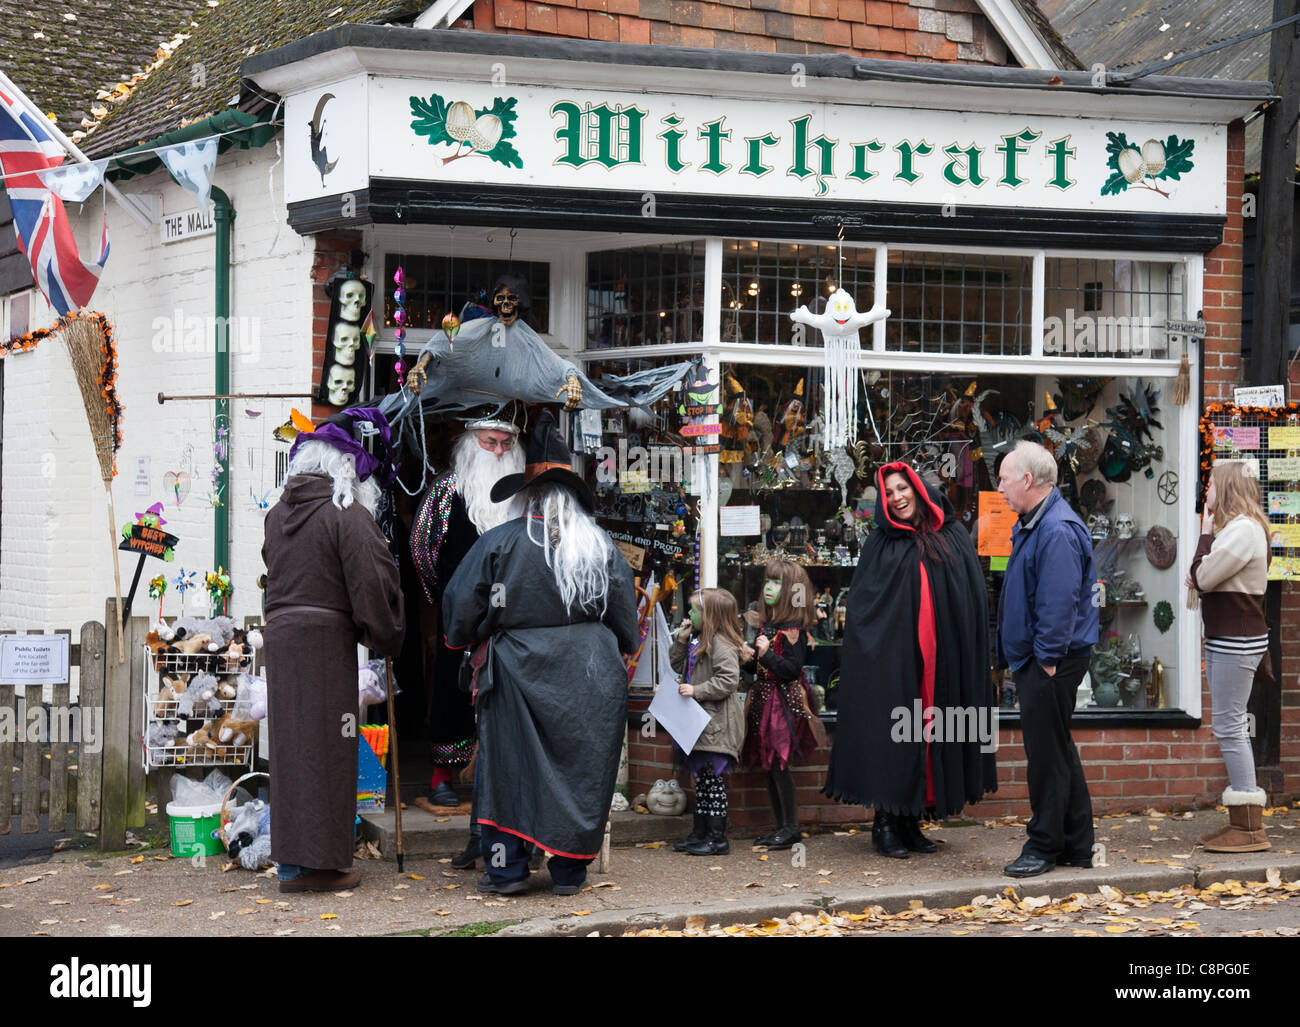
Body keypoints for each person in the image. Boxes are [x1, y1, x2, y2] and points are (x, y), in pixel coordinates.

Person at [441, 410, 639, 895]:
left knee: (510, 771)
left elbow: (459, 609)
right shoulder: (600, 546)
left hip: (515, 669)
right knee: (580, 769)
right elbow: (625, 621)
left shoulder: (499, 540)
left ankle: (508, 872)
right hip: (590, 674)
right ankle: (569, 872)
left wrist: (465, 640)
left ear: (524, 496)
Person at [263, 409, 404, 893]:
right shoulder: (347, 514)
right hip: (324, 649)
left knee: (290, 749)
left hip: (282, 645)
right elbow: (373, 581)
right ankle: (320, 868)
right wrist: (385, 635)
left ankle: (291, 865)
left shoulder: (276, 514)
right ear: (344, 468)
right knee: (325, 752)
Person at [823, 462, 996, 859]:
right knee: (893, 736)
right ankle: (885, 821)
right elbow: (865, 610)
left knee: (932, 734)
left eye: (903, 488)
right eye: (890, 493)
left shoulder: (951, 537)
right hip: (893, 664)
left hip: (940, 664)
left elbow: (968, 602)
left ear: (917, 489)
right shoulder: (881, 544)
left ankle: (912, 819)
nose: (898, 497)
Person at [409, 413, 525, 870]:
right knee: (453, 692)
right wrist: (444, 598)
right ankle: (442, 777)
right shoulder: (445, 490)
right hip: (460, 611)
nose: (496, 450)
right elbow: (422, 549)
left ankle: (495, 782)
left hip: (512, 615)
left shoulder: (521, 491)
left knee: (504, 695)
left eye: (503, 444)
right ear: (470, 444)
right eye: (489, 442)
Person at [996, 440, 1099, 878]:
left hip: (1050, 659)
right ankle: (1077, 845)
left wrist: (1048, 661)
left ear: (1026, 480)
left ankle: (1043, 847)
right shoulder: (1036, 521)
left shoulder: (1055, 529)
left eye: (1003, 478)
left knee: (1045, 755)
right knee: (1057, 749)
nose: (998, 487)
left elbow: (1059, 603)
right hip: (1042, 657)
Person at [1186, 461, 1272, 852]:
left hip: (1235, 642)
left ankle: (1250, 828)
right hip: (1233, 640)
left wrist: (1204, 534)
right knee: (1231, 726)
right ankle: (1243, 822)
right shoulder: (1241, 530)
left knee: (1230, 728)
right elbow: (1201, 575)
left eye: (1211, 486)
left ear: (1228, 489)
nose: (1207, 494)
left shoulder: (1241, 532)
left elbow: (1201, 577)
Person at [740, 559, 823, 850]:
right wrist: (748, 658)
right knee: (769, 765)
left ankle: (791, 828)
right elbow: (761, 667)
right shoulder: (769, 624)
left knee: (779, 764)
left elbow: (791, 669)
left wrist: (765, 654)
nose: (769, 588)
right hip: (765, 698)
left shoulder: (792, 629)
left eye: (777, 582)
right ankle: (780, 826)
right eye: (768, 581)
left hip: (783, 702)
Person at [670, 588, 746, 856]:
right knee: (702, 783)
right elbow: (675, 663)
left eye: (693, 610)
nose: (688, 614)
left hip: (717, 725)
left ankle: (717, 838)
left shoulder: (722, 645)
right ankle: (700, 832)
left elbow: (728, 680)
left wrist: (696, 690)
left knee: (713, 784)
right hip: (701, 725)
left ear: (710, 616)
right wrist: (681, 639)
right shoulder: (698, 640)